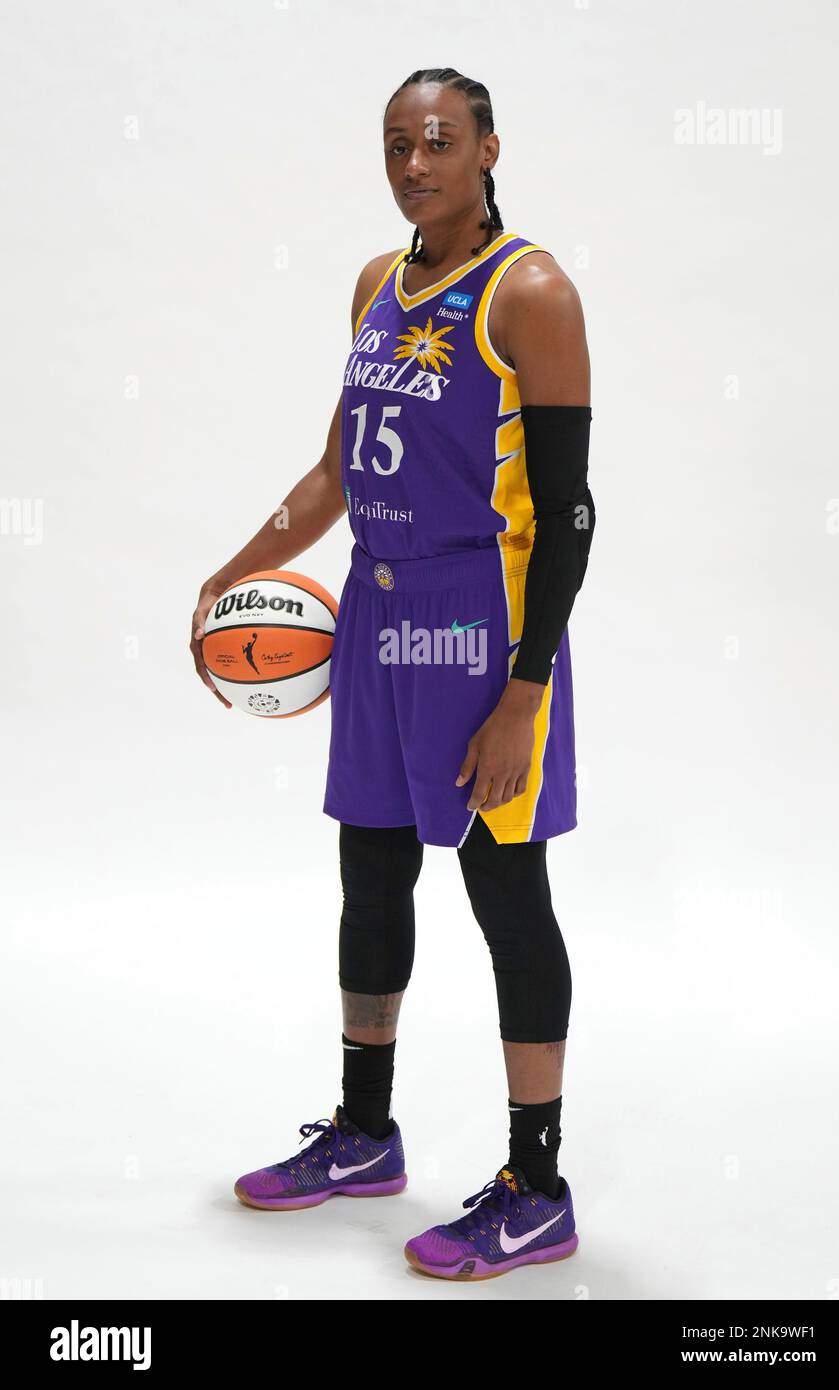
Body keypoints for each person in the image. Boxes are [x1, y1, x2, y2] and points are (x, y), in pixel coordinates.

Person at [190, 67, 596, 1282]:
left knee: (502, 890)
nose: (414, 162)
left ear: (485, 149)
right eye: (395, 143)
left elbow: (569, 513)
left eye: (438, 141)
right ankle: (365, 1134)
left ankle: (537, 1183)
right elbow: (335, 467)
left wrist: (523, 690)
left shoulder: (530, 291)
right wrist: (235, 567)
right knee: (369, 871)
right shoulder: (379, 280)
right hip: (372, 603)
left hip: (482, 620)